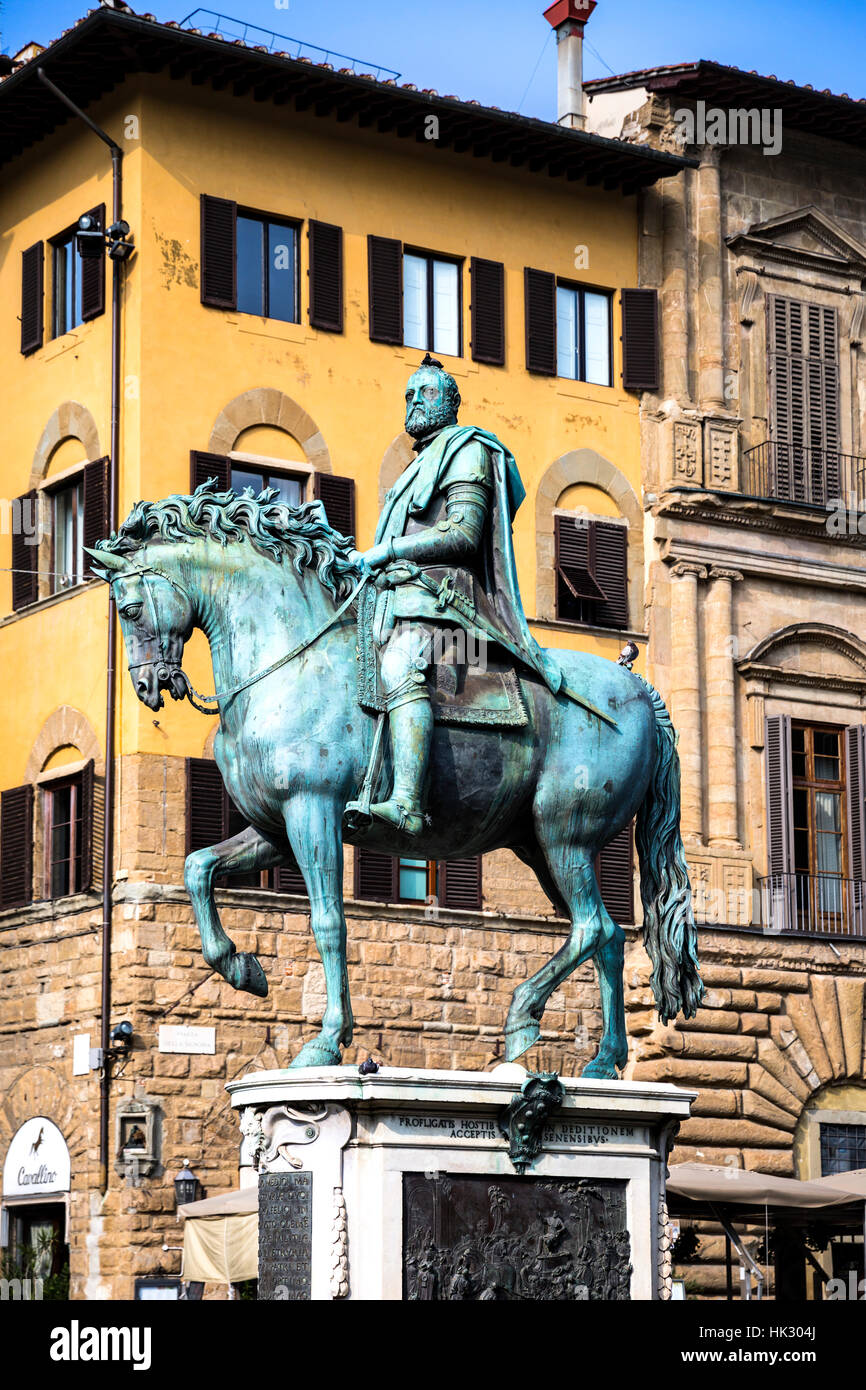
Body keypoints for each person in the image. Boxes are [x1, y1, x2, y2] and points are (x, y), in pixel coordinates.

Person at [353, 354, 562, 835]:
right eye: (409, 394)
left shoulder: (467, 450)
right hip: (399, 599)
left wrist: (387, 550)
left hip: (447, 607)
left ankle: (406, 800)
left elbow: (464, 534)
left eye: (425, 393)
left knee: (402, 662)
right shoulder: (417, 467)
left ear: (450, 402)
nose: (413, 403)